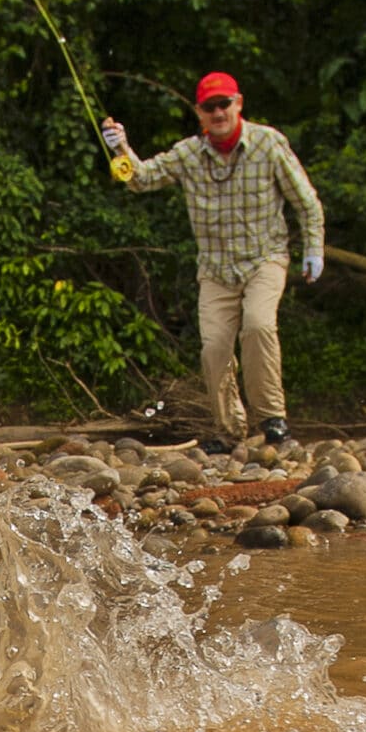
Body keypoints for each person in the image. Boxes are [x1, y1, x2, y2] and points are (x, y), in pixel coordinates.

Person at [101, 71, 324, 453]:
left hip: (264, 259)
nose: (218, 112)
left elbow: (306, 201)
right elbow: (141, 179)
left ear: (238, 104)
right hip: (216, 269)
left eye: (224, 104)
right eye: (210, 107)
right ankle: (228, 430)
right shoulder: (188, 153)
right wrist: (121, 147)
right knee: (214, 346)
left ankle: (273, 421)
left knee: (257, 325)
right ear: (199, 113)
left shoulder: (269, 143)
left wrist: (314, 248)